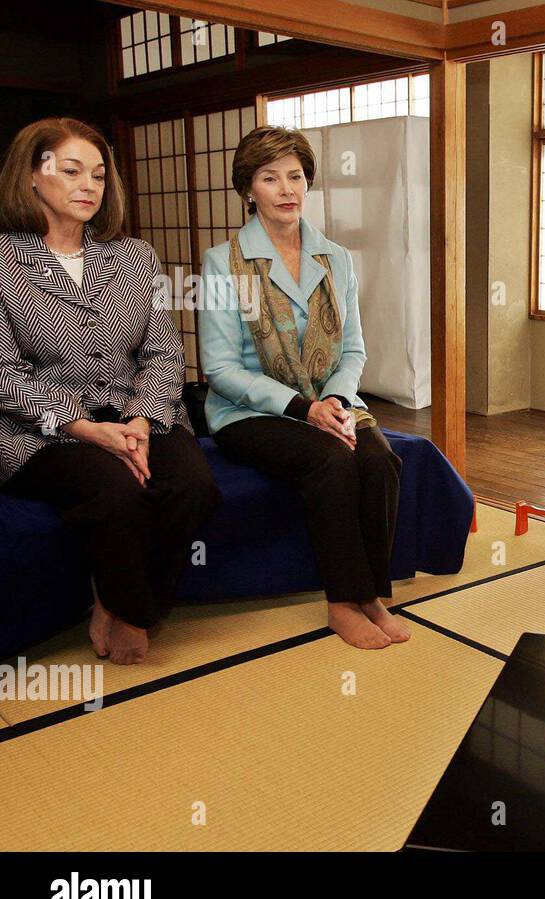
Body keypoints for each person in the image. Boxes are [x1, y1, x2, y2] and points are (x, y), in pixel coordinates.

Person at [0, 117, 220, 664]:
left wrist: (143, 420)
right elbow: (6, 376)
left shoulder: (134, 256)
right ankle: (129, 608)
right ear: (32, 175)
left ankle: (121, 605)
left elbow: (164, 352)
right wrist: (79, 426)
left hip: (133, 409)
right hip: (47, 427)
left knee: (194, 485)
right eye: (71, 171)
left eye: (98, 175)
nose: (88, 186)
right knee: (116, 492)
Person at [199, 125, 406, 650]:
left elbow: (354, 349)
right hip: (250, 413)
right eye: (271, 178)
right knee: (332, 460)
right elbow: (220, 369)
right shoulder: (224, 262)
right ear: (249, 190)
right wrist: (302, 408)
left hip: (328, 401)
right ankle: (342, 602)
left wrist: (333, 401)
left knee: (380, 459)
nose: (287, 188)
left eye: (295, 176)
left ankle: (370, 595)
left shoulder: (335, 257)